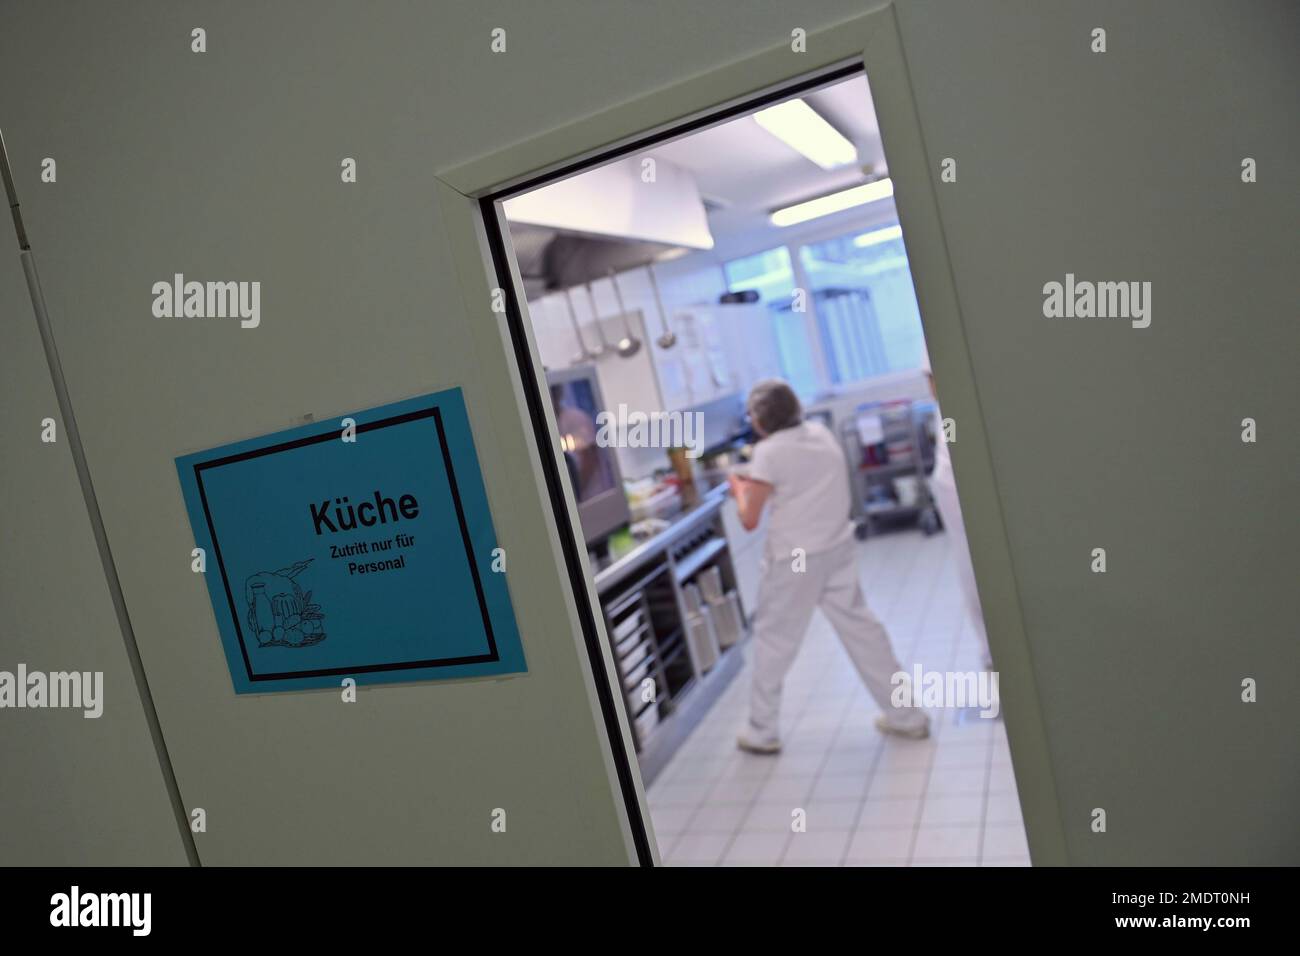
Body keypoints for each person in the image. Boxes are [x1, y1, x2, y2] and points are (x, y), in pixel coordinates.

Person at [728, 379, 930, 754]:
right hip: (837, 548)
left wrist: (738, 489)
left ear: (760, 419)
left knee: (775, 642)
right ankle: (908, 717)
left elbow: (749, 519)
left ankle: (761, 731)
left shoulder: (768, 452)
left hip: (795, 560)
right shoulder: (819, 433)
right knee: (864, 632)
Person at [922, 358, 992, 664]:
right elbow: (938, 388)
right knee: (975, 567)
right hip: (956, 481)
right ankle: (992, 654)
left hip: (967, 473)